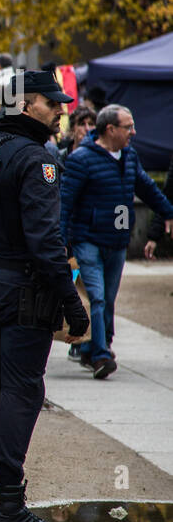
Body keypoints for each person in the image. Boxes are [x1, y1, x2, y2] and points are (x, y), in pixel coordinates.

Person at [0, 70, 90, 522]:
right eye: (53, 104)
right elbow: (46, 243)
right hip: (24, 291)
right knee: (21, 391)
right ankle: (9, 504)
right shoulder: (37, 160)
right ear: (28, 104)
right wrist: (73, 305)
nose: (60, 113)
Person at [59, 104, 173, 378]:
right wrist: (61, 241)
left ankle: (96, 347)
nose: (133, 132)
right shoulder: (81, 159)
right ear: (110, 129)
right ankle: (100, 355)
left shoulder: (129, 156)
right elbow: (65, 203)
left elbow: (147, 188)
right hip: (88, 240)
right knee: (96, 298)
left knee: (108, 300)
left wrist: (169, 211)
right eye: (128, 126)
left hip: (117, 241)